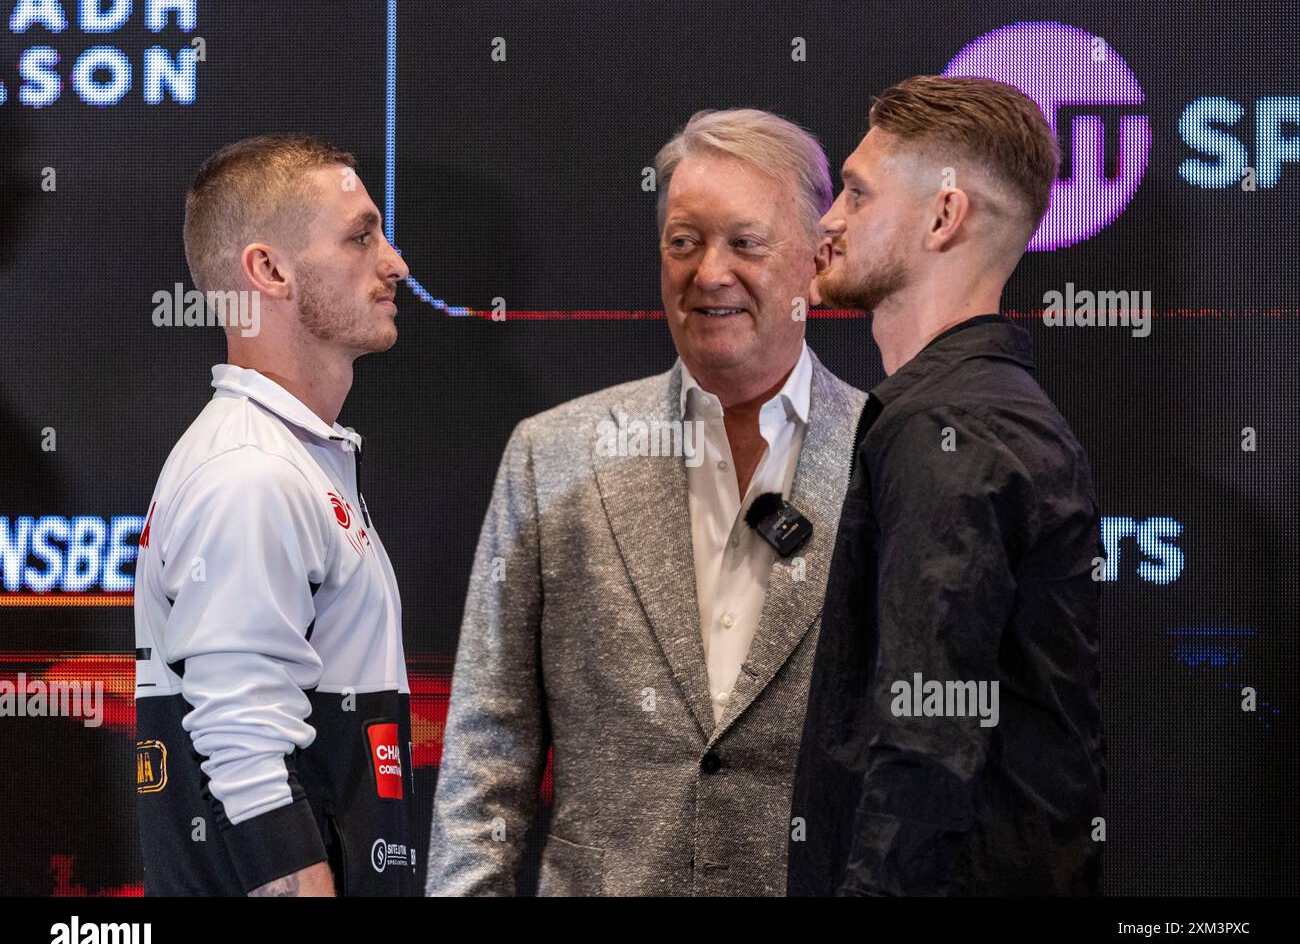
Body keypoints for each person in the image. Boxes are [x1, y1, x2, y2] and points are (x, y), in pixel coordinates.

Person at [428, 109, 866, 896]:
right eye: (684, 242)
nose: (709, 273)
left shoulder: (892, 455)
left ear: (817, 259)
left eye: (746, 242)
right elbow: (487, 744)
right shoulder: (551, 455)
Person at [788, 75, 1105, 896]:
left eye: (857, 194)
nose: (828, 220)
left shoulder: (947, 425)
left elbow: (927, 737)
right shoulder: (977, 408)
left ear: (944, 215)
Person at [134, 134, 417, 896]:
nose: (395, 264)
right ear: (268, 269)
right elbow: (245, 753)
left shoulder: (288, 457)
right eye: (361, 237)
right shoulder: (250, 472)